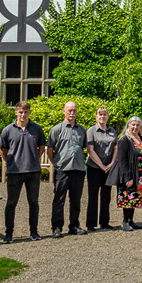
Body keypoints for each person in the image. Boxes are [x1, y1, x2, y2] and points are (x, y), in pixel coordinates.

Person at [0, 101, 46, 243]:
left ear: (29, 112)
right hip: (15, 172)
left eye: (25, 112)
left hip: (33, 171)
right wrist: (10, 162)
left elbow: (42, 146)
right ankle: (9, 233)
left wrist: (34, 158)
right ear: (16, 112)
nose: (23, 114)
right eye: (20, 112)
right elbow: (2, 149)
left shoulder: (36, 129)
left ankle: (34, 231)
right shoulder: (8, 130)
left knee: (33, 202)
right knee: (11, 202)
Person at [106, 117, 142, 231]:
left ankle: (131, 221)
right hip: (130, 173)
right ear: (128, 125)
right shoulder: (124, 140)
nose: (135, 127)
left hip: (141, 174)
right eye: (133, 124)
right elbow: (122, 159)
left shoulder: (141, 139)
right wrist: (127, 176)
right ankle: (125, 221)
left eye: (138, 125)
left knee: (135, 198)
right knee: (128, 197)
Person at [48, 102, 89, 238]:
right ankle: (57, 227)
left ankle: (74, 225)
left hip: (78, 169)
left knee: (76, 200)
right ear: (64, 111)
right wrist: (56, 163)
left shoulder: (81, 130)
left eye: (74, 111)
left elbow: (84, 148)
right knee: (59, 199)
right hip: (62, 170)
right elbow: (50, 150)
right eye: (69, 111)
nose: (72, 113)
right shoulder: (56, 129)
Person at [85, 106, 117, 232]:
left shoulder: (112, 130)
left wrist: (112, 163)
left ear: (107, 116)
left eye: (104, 114)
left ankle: (104, 222)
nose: (102, 117)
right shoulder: (91, 131)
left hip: (108, 168)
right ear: (96, 116)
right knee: (93, 196)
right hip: (94, 168)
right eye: (100, 114)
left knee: (106, 195)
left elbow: (115, 147)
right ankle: (91, 224)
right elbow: (90, 150)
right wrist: (101, 166)